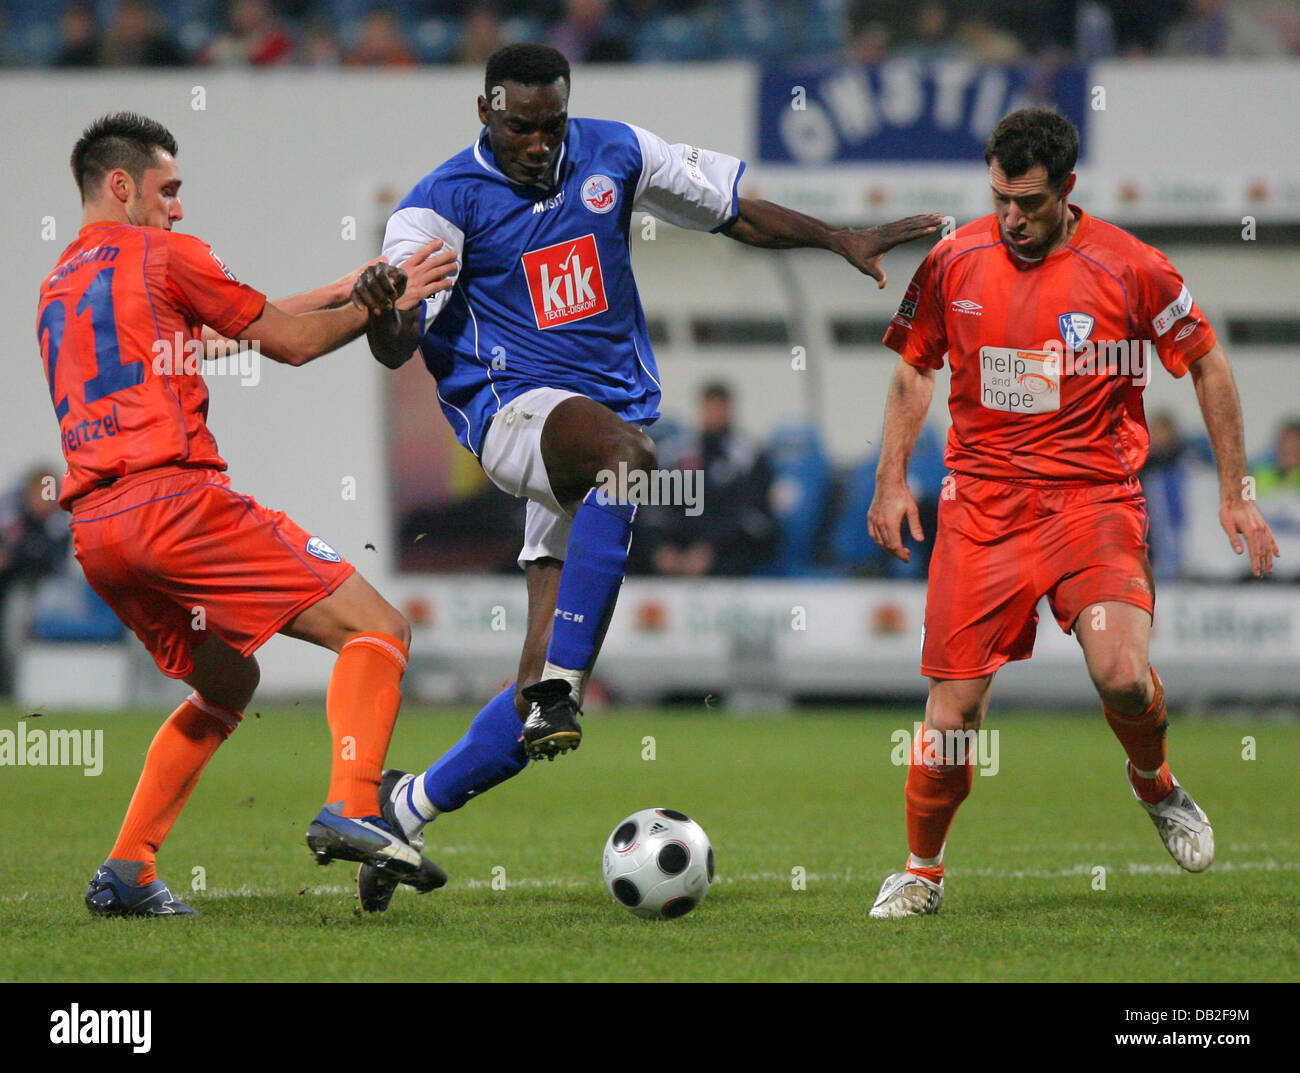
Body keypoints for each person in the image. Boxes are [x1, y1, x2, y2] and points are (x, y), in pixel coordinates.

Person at [348, 42, 940, 911]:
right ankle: (567, 686)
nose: (540, 142)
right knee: (633, 464)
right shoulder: (438, 209)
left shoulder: (616, 151)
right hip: (511, 412)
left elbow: (732, 210)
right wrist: (382, 314)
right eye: (521, 126)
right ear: (486, 113)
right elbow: (401, 338)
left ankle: (406, 804)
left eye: (552, 123)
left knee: (525, 695)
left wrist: (837, 238)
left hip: (595, 427)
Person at [39, 112, 457, 917]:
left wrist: (343, 287)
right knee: (379, 630)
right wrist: (387, 302)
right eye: (169, 189)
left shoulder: (59, 288)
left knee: (227, 680)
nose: (178, 208)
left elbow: (208, 338)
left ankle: (127, 869)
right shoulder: (163, 255)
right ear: (121, 185)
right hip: (175, 504)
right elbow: (290, 345)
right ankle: (355, 805)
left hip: (98, 533)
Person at [865, 107, 1279, 917]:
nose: (1011, 218)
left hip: (1092, 500)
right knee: (955, 714)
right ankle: (922, 871)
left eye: (1029, 202)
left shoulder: (1130, 267)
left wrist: (1236, 491)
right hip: (981, 505)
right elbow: (915, 369)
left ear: (1069, 189)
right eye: (999, 200)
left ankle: (1154, 781)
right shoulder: (954, 259)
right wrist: (890, 479)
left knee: (1122, 673)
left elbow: (1207, 362)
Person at [635, 382, 778, 578]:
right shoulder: (678, 453)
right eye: (708, 407)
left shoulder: (749, 456)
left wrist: (709, 549)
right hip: (680, 544)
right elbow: (657, 505)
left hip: (725, 547)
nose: (713, 414)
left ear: (729, 409)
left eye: (718, 408)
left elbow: (748, 512)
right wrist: (660, 548)